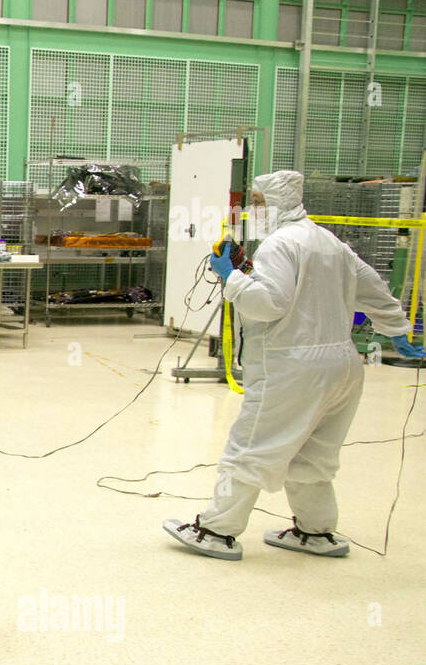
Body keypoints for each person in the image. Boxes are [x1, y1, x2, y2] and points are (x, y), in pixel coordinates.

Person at [164, 169, 424, 562]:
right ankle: (316, 532)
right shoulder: (330, 243)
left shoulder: (281, 244)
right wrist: (397, 329)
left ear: (275, 202)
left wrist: (231, 278)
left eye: (256, 202)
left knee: (252, 447)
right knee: (313, 455)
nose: (252, 209)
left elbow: (269, 304)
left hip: (293, 367)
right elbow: (372, 288)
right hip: (342, 367)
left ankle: (216, 531)